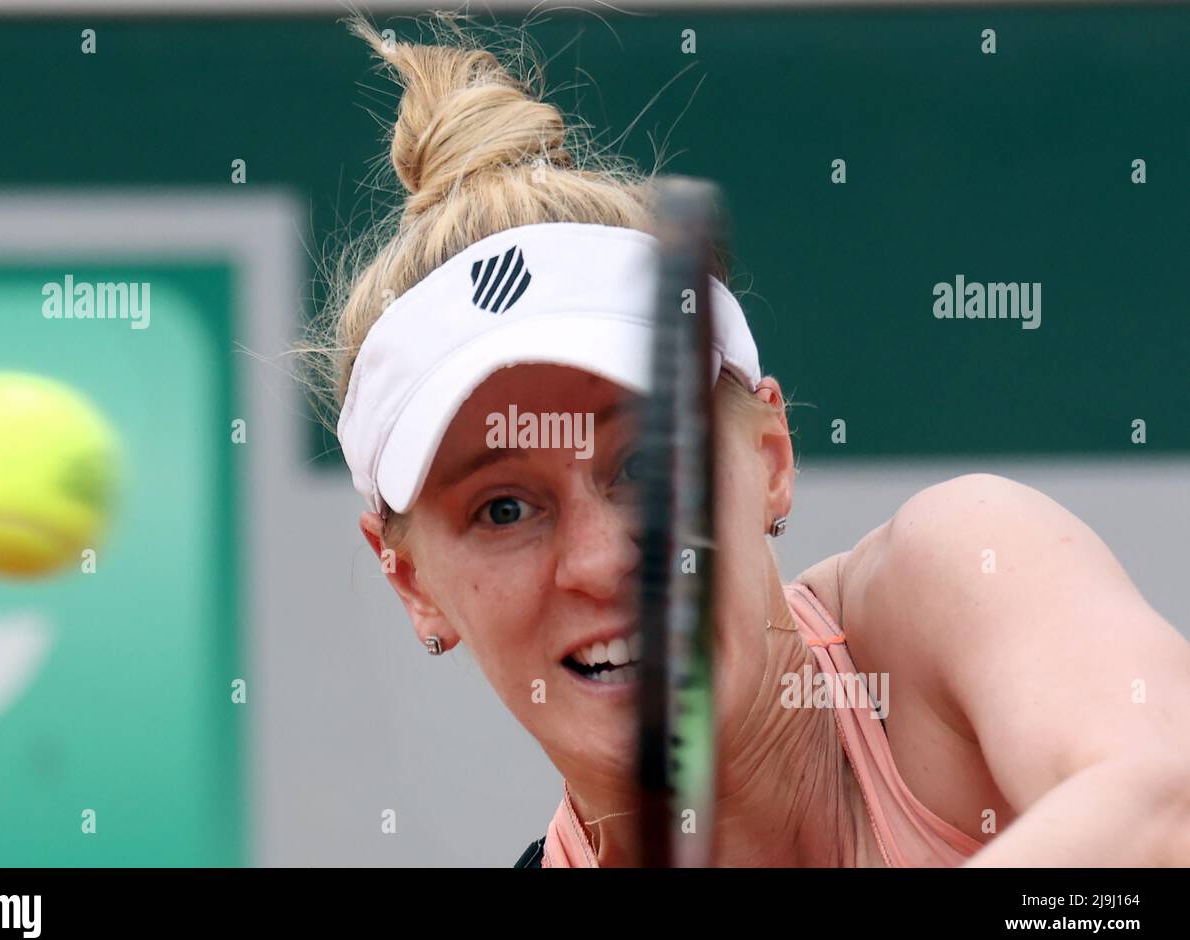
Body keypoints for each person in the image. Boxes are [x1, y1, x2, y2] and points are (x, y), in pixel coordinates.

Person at [298, 14, 1190, 867]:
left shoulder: (956, 573)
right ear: (412, 581)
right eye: (502, 509)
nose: (605, 562)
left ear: (770, 457)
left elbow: (1166, 809)